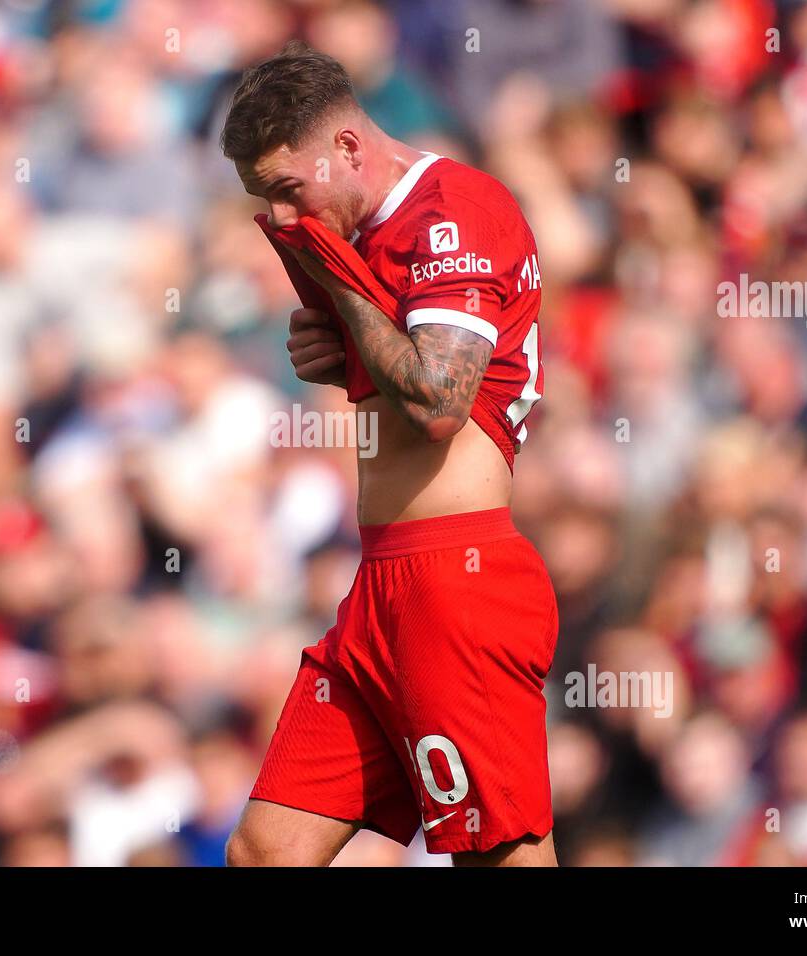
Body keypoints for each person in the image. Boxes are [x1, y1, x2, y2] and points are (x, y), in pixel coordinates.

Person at [220, 42, 559, 866]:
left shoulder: (454, 210)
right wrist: (345, 341)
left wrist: (340, 290)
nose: (289, 221)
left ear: (346, 147)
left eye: (290, 192)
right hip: (381, 585)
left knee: (499, 854)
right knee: (265, 851)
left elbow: (440, 405)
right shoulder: (366, 232)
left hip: (457, 576)